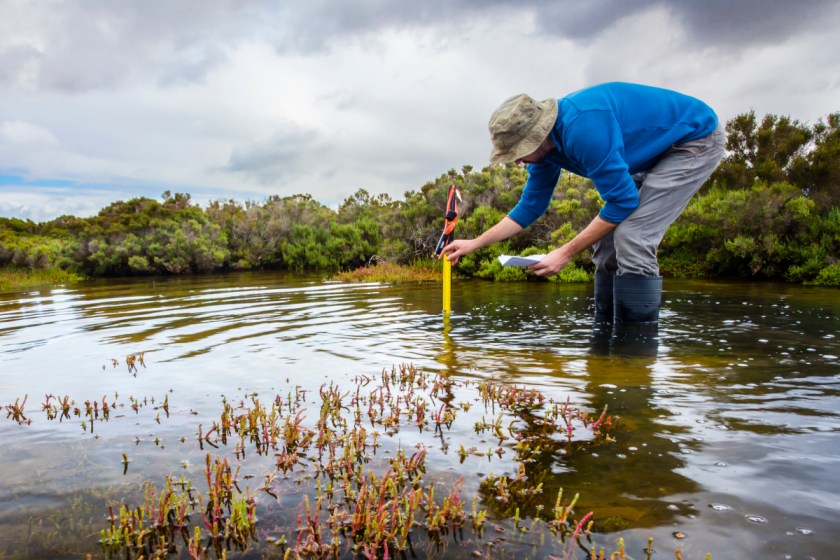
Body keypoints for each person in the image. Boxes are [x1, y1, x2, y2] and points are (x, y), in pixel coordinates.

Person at [441, 82, 725, 326]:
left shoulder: (584, 129)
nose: (517, 160)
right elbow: (531, 206)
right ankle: (605, 340)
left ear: (538, 136)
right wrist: (475, 243)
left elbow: (623, 202)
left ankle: (634, 352)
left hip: (692, 141)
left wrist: (564, 253)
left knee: (632, 235)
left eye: (520, 151)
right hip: (651, 153)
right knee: (606, 243)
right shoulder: (545, 153)